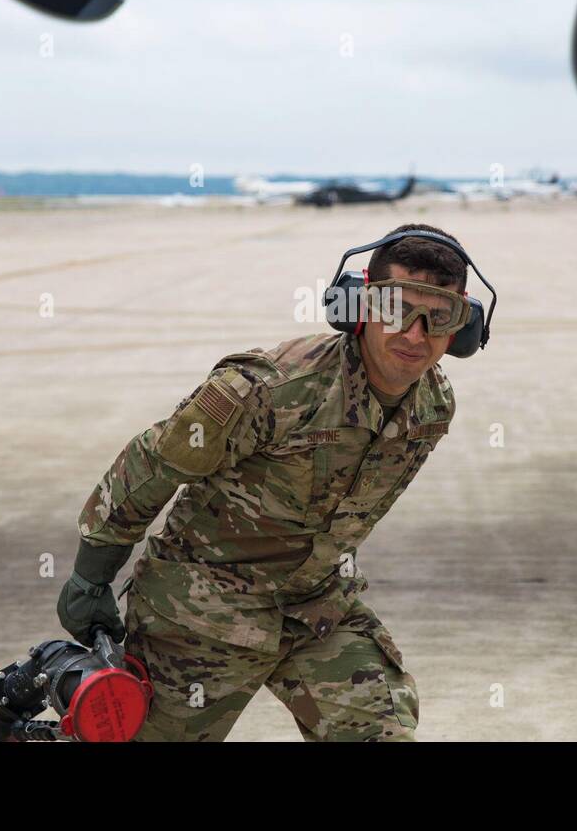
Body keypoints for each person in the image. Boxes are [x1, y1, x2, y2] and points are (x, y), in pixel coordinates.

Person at [57, 222, 475, 741]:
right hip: (202, 615)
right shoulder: (271, 389)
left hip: (316, 610)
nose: (414, 334)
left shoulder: (433, 405)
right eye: (394, 309)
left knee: (381, 733)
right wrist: (91, 576)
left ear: (464, 328)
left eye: (438, 316)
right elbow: (152, 464)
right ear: (358, 306)